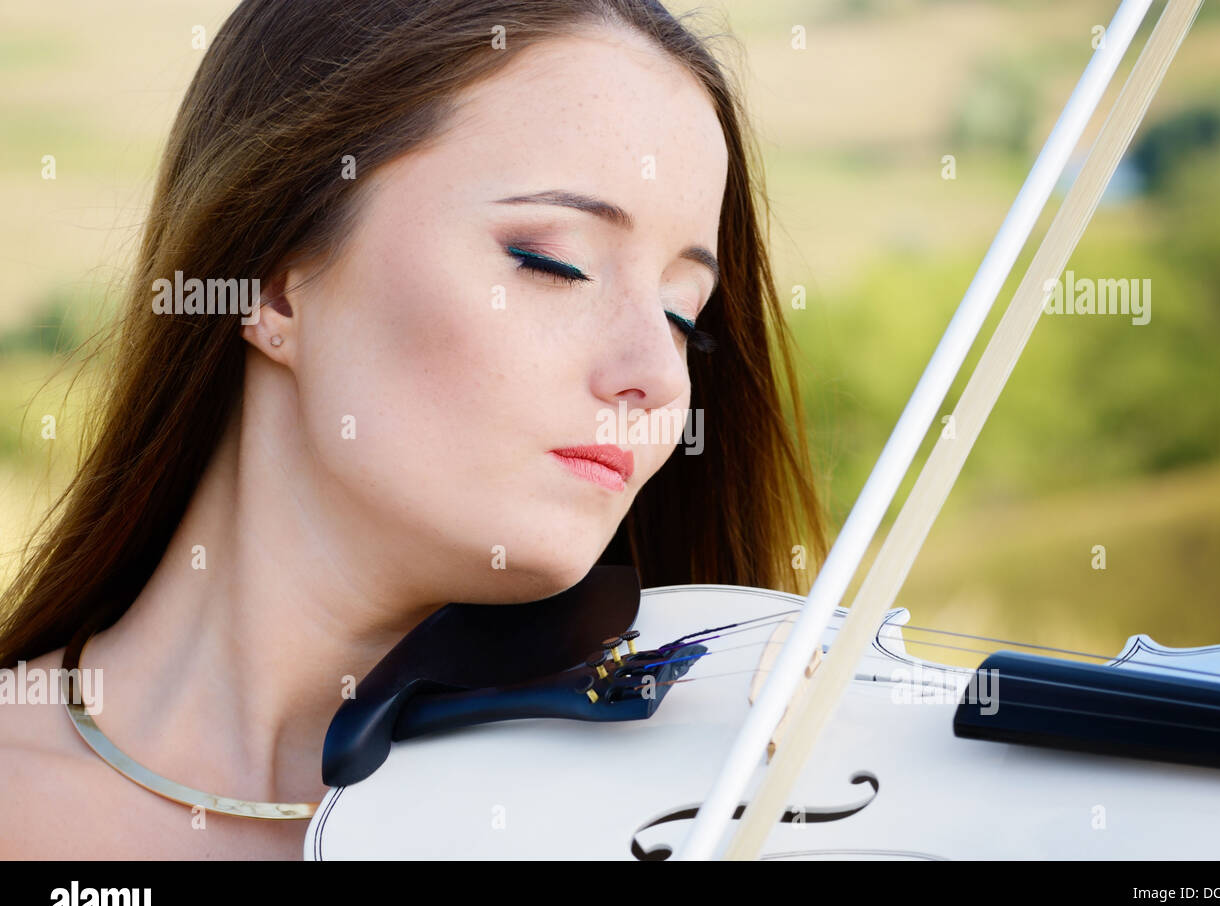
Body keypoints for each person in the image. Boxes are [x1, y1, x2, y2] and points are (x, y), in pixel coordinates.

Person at [0, 0, 828, 859]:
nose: (658, 376)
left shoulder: (700, 812)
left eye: (679, 314)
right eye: (553, 263)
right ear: (276, 284)